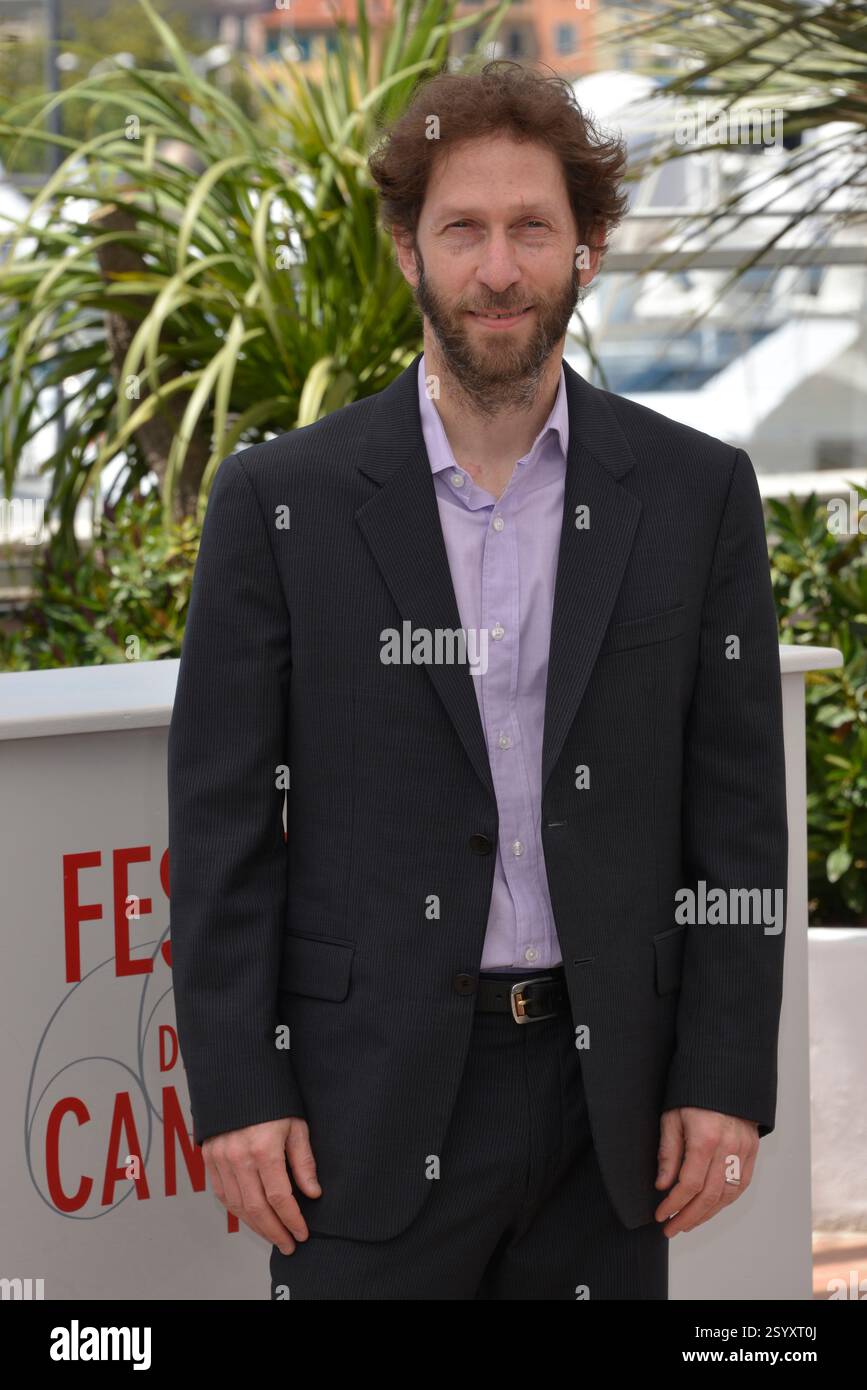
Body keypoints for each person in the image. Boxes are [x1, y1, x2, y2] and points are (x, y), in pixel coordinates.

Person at [167, 61, 788, 1300]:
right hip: (360, 1110)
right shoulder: (279, 503)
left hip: (606, 1116)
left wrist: (723, 1076)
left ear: (588, 247)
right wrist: (239, 1091)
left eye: (532, 229)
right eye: (463, 229)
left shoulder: (695, 494)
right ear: (408, 249)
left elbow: (737, 821)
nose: (498, 269)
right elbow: (223, 826)